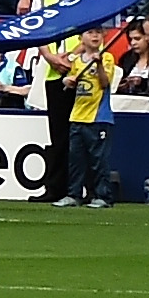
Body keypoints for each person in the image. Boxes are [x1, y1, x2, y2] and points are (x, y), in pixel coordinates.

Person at [47, 23, 114, 206]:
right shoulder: (77, 61)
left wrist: (98, 64)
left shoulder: (107, 58)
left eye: (98, 32)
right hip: (77, 116)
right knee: (76, 160)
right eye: (90, 32)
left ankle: (102, 196)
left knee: (98, 161)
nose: (95, 36)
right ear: (80, 39)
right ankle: (73, 194)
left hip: (98, 117)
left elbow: (105, 83)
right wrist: (69, 81)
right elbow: (73, 80)